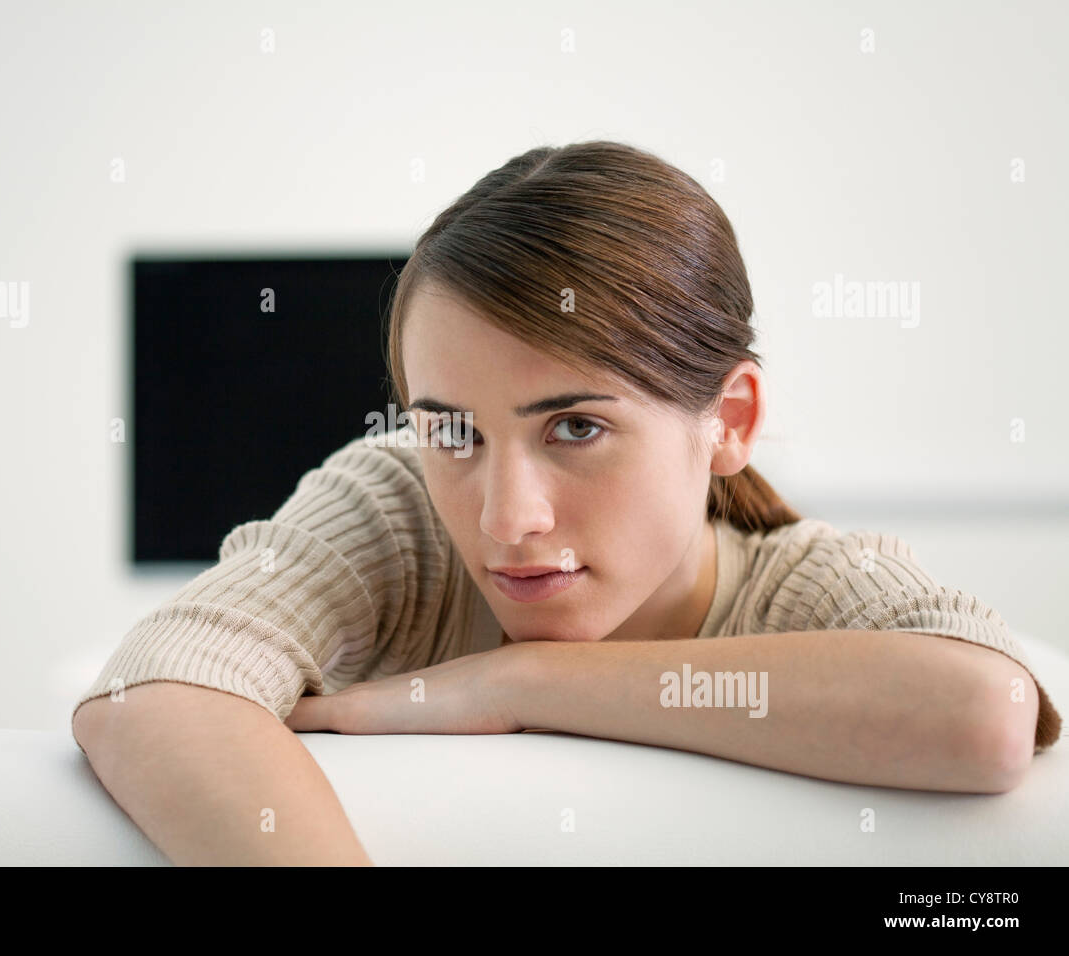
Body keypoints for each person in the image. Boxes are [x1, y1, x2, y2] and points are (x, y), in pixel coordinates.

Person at [71, 140, 1060, 866]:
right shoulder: (394, 508)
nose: (507, 518)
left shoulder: (804, 582)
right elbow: (154, 694)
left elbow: (987, 710)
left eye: (575, 427)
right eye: (451, 429)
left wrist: (515, 685)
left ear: (728, 420)